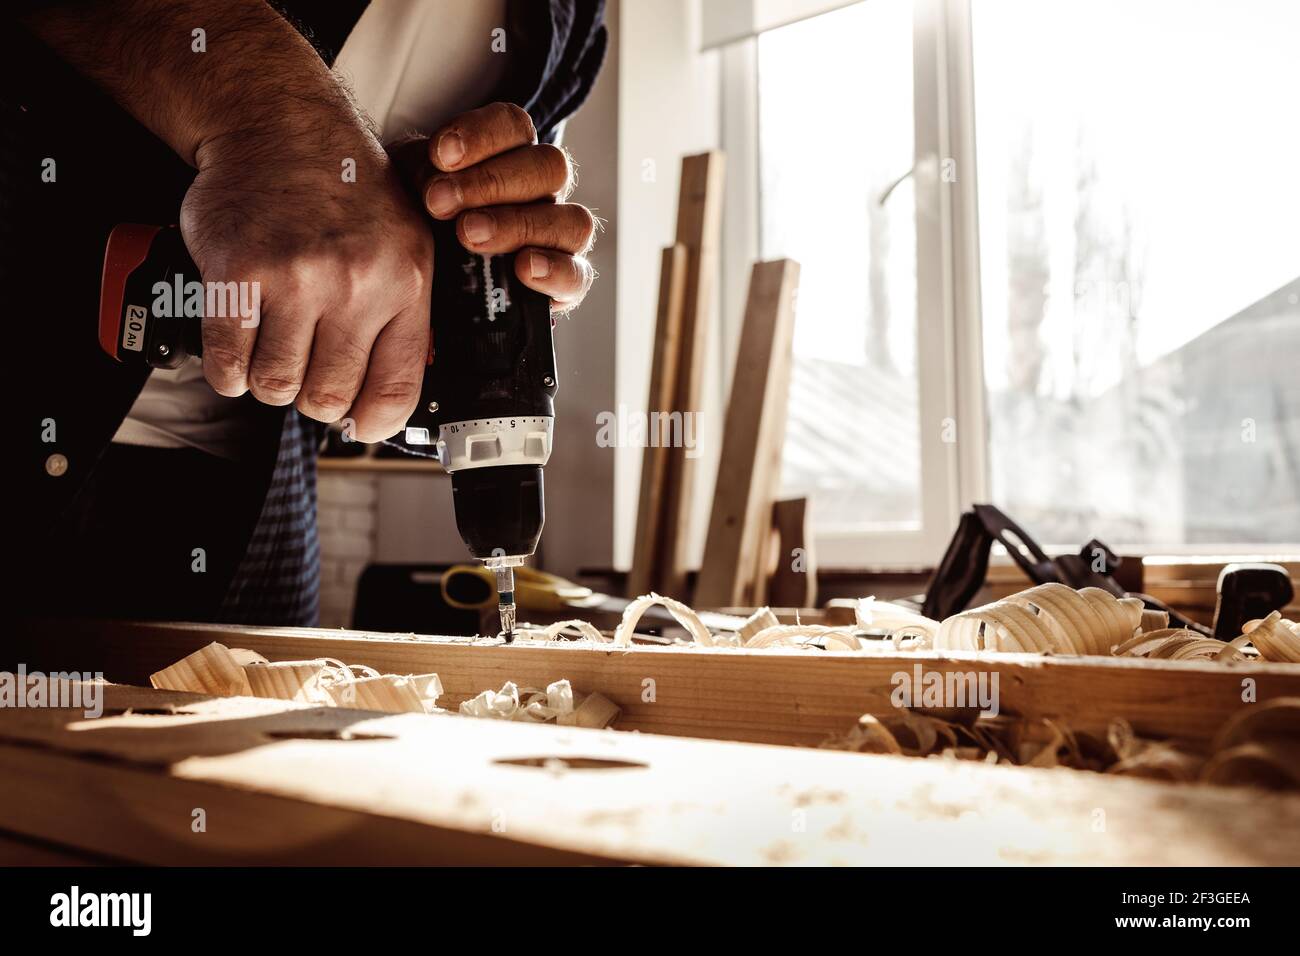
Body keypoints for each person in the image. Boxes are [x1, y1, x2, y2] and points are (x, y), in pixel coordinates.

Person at [6, 0, 606, 625]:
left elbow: (453, 251)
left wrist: (482, 273)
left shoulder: (570, 24)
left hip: (254, 524)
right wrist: (266, 114)